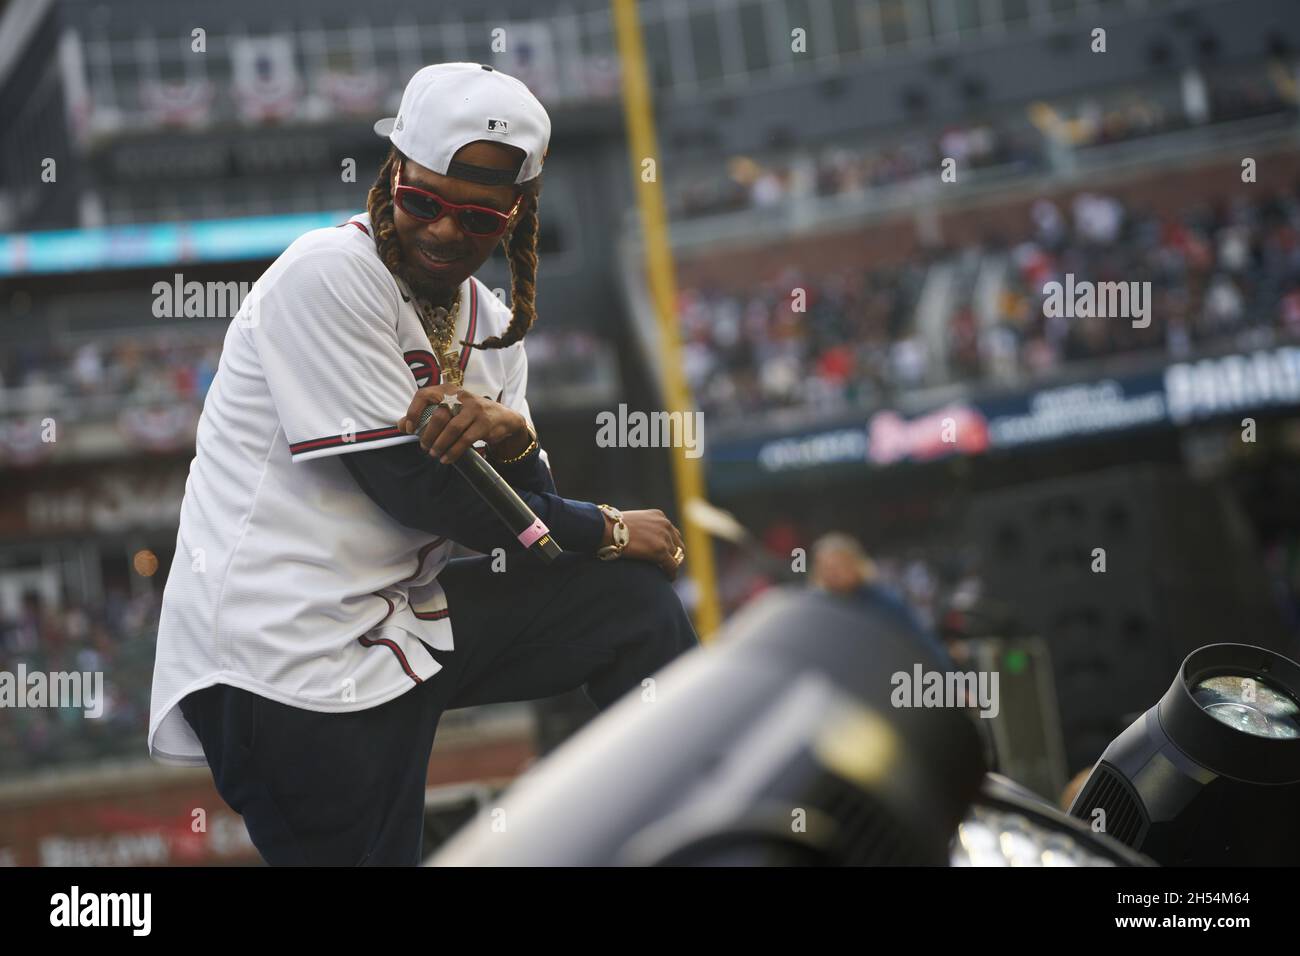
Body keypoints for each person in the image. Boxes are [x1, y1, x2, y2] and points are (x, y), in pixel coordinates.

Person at [148, 63, 698, 866]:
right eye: (423, 203)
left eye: (476, 218)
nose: (444, 232)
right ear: (394, 174)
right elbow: (415, 490)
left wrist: (515, 441)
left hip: (399, 621)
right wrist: (609, 525)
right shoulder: (326, 274)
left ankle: (704, 831)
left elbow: (529, 533)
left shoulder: (493, 322)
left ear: (516, 216)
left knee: (629, 608)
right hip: (282, 658)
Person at [810, 533, 953, 669]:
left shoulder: (884, 602)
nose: (832, 573)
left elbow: (922, 642)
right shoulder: (816, 606)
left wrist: (947, 679)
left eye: (838, 566)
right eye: (826, 567)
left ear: (856, 565)